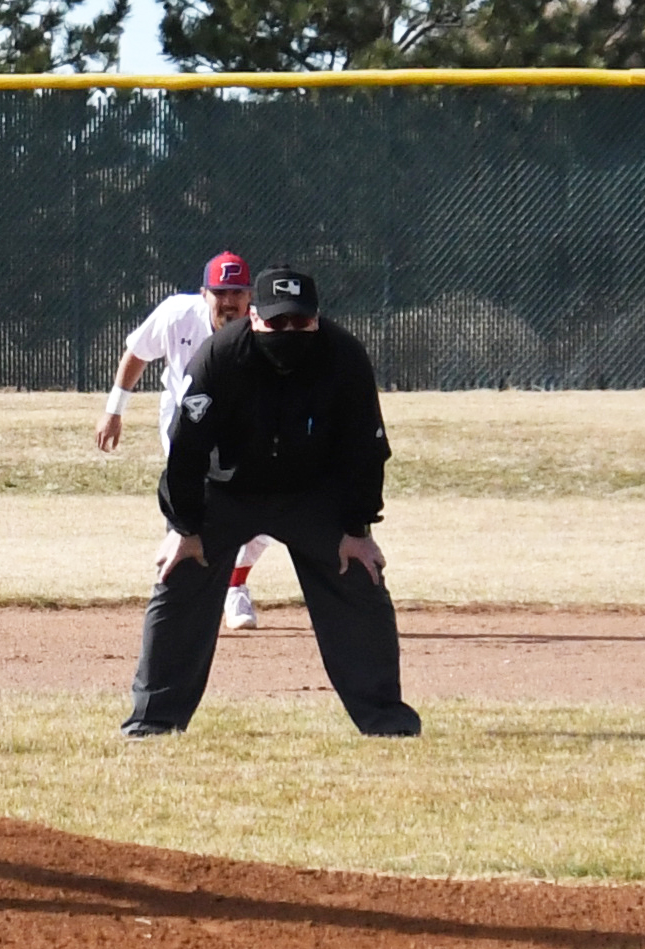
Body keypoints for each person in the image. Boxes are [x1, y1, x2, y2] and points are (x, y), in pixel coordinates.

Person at [122, 264, 422, 739]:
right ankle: (152, 723)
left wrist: (357, 530)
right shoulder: (220, 354)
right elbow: (187, 449)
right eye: (277, 322)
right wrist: (184, 528)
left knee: (361, 576)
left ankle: (388, 723)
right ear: (255, 317)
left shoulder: (344, 356)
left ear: (316, 319)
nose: (289, 332)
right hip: (227, 490)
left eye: (300, 322)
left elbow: (366, 449)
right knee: (179, 575)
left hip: (312, 494)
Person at [97, 251, 275, 630]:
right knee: (192, 504)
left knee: (262, 517)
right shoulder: (177, 314)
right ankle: (177, 594)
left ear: (250, 295)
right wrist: (114, 411)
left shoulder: (266, 328)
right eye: (220, 292)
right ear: (203, 293)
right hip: (187, 424)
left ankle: (234, 585)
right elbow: (137, 354)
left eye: (237, 292)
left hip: (243, 428)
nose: (229, 301)